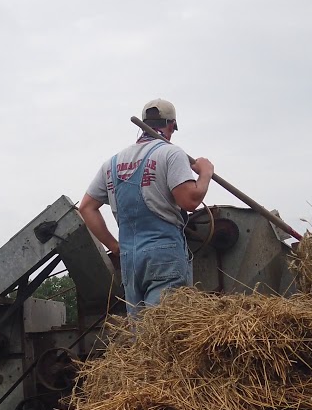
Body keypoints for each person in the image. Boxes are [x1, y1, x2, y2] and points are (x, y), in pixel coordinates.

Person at [80, 99, 214, 315]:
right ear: (171, 126)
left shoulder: (112, 163)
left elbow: (86, 207)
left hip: (130, 260)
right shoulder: (171, 153)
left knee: (142, 339)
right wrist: (205, 172)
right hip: (164, 257)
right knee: (166, 333)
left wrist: (115, 246)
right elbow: (190, 201)